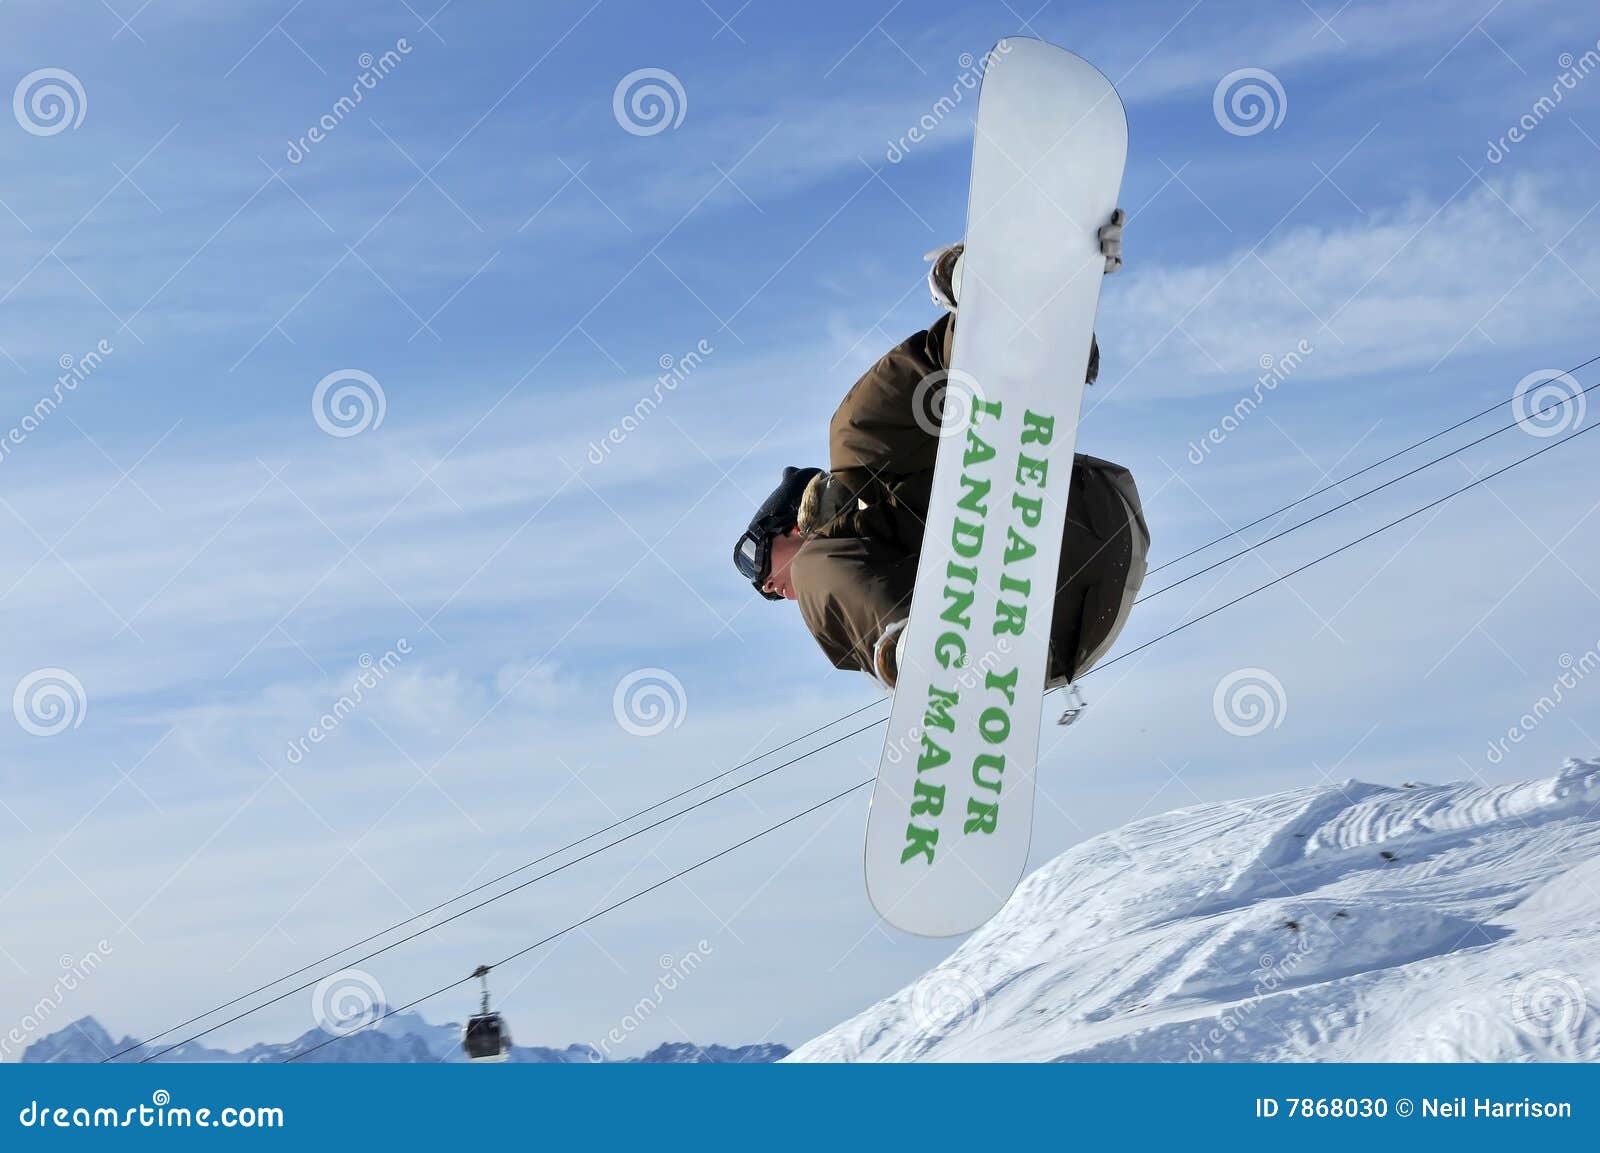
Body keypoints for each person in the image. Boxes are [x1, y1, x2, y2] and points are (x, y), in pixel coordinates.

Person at [732, 213, 1148, 694]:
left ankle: (1007, 305)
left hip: (1073, 523)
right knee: (831, 579)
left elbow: (929, 373)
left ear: (790, 524)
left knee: (853, 441)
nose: (766, 588)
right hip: (1057, 632)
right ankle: (932, 655)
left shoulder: (862, 460)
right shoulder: (856, 588)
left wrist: (1029, 282)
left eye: (757, 562)